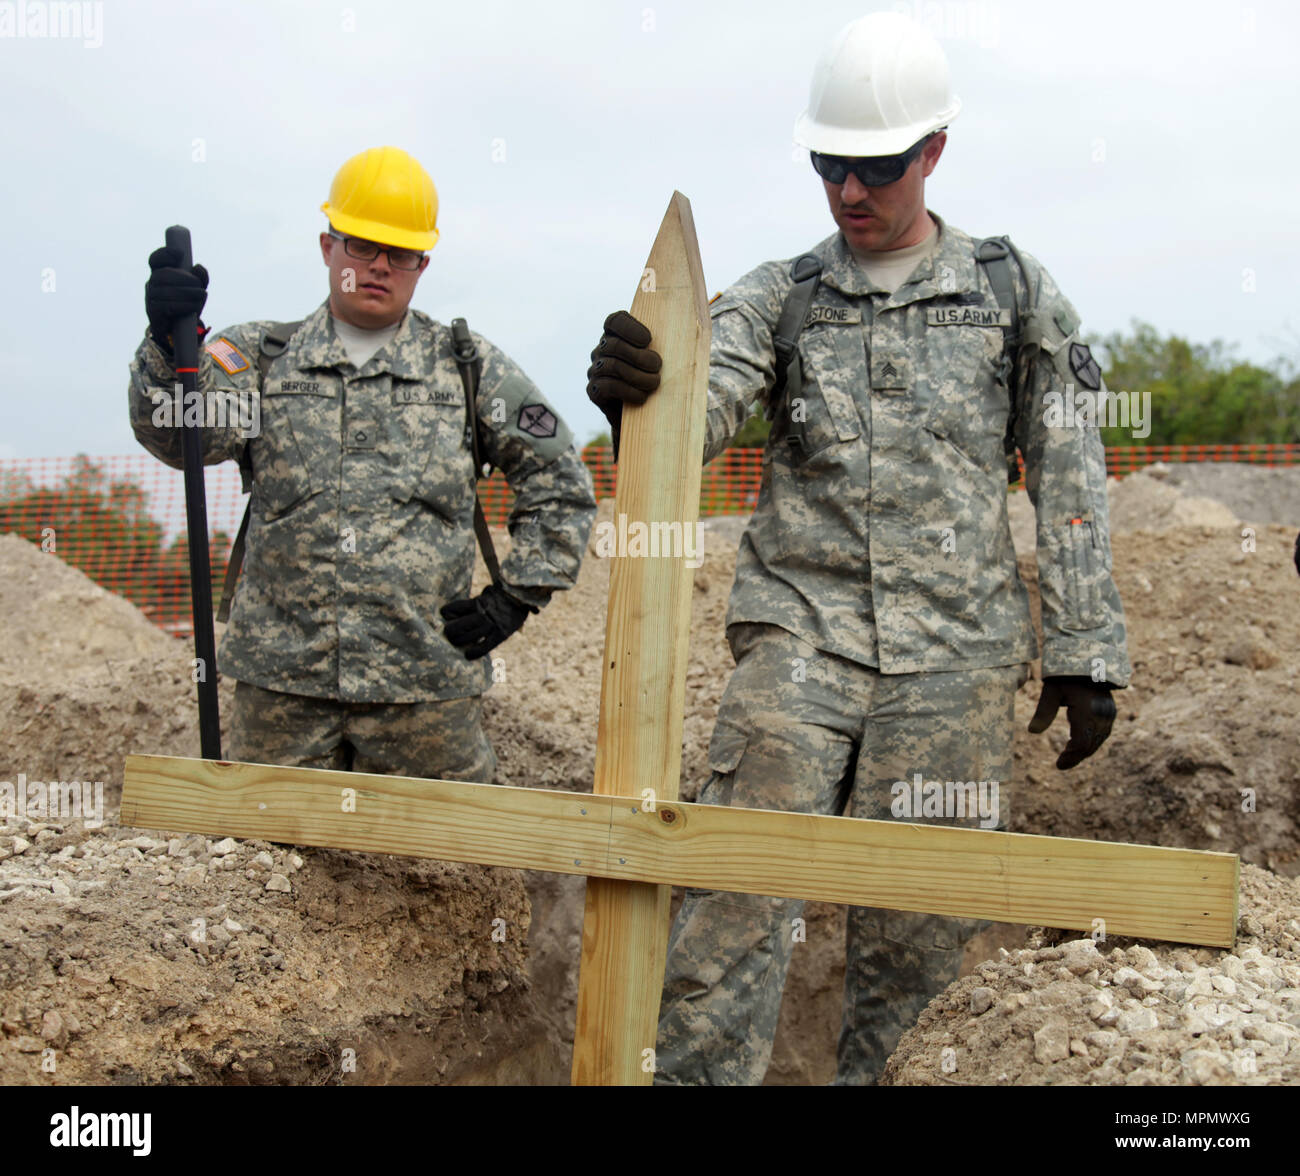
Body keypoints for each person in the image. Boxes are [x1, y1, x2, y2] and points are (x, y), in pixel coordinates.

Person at [586, 13, 1130, 1085]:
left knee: (917, 951)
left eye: (874, 167)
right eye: (829, 165)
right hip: (801, 643)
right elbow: (699, 411)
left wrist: (1084, 648)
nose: (847, 192)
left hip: (955, 663)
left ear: (932, 151)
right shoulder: (780, 298)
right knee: (730, 912)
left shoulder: (1008, 292)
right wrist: (636, 396)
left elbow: (1069, 465)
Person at [130, 145, 596, 784]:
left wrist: (515, 596)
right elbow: (185, 439)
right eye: (361, 246)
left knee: (454, 867)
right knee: (265, 866)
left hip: (424, 688)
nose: (379, 266)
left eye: (399, 253)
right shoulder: (262, 358)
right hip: (282, 689)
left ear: (423, 262)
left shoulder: (467, 367)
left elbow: (559, 480)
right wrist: (166, 346)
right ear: (328, 247)